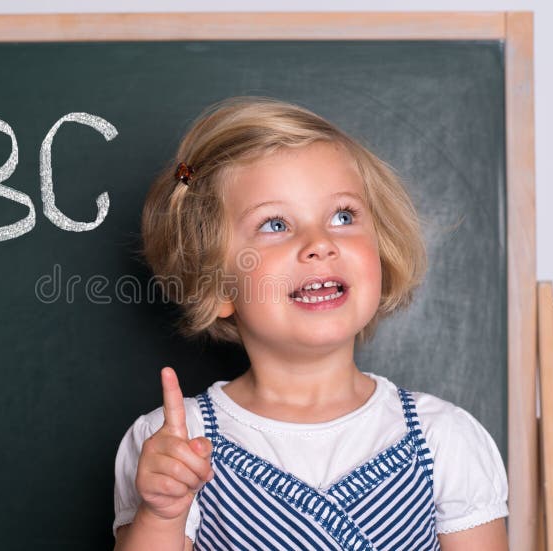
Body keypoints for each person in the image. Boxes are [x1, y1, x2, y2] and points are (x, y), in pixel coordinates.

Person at [113, 97, 508, 550]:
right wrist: (162, 514)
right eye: (276, 224)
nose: (319, 243)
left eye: (343, 216)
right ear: (218, 286)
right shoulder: (174, 443)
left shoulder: (444, 440)